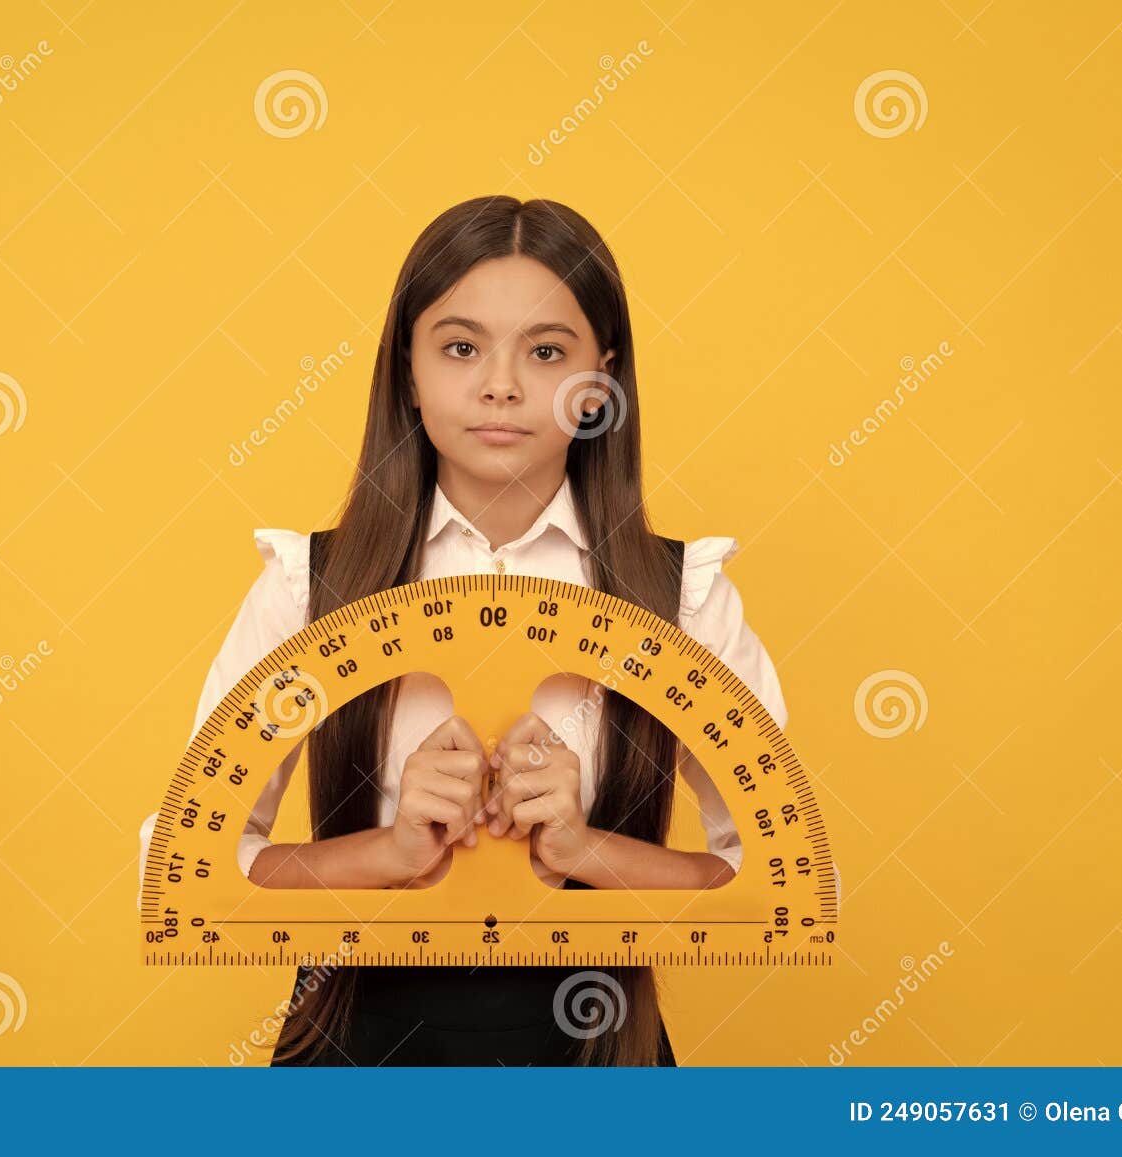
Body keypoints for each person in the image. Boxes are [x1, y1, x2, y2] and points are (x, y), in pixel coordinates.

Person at [138, 195, 789, 1065]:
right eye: (459, 346)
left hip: (599, 1061)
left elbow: (770, 887)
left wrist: (585, 849)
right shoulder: (308, 589)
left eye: (548, 351)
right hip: (351, 1060)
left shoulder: (684, 599)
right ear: (406, 369)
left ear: (603, 378)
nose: (501, 384)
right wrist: (389, 851)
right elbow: (187, 870)